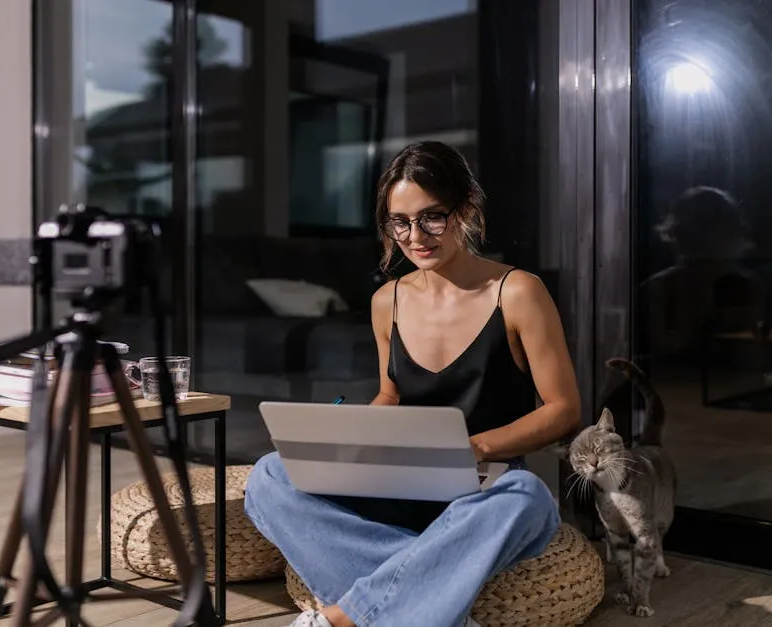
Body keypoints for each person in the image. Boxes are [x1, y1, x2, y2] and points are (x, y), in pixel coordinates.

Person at [244, 141, 581, 627]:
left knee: (529, 497)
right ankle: (428, 598)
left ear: (465, 209)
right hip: (399, 482)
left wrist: (476, 447)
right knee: (269, 476)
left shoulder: (518, 292)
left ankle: (345, 617)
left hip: (479, 496)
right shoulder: (389, 301)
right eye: (399, 222)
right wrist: (356, 433)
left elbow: (563, 409)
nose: (415, 236)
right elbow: (391, 394)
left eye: (431, 218)